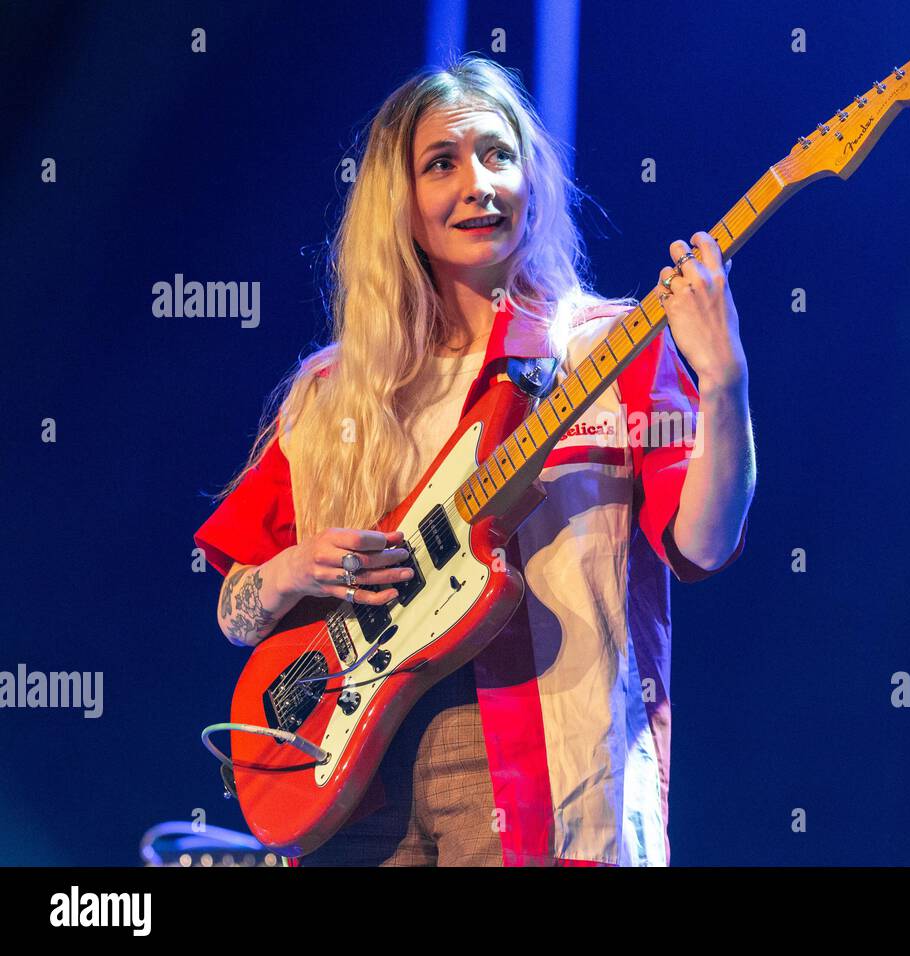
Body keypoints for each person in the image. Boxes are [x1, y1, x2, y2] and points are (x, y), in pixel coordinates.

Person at [193, 53, 754, 867]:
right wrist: (292, 571)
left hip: (535, 769)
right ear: (402, 203)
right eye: (441, 164)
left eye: (499, 155)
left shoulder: (606, 347)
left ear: (532, 179)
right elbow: (237, 609)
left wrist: (726, 382)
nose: (478, 184)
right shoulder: (329, 395)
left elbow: (703, 543)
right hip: (355, 787)